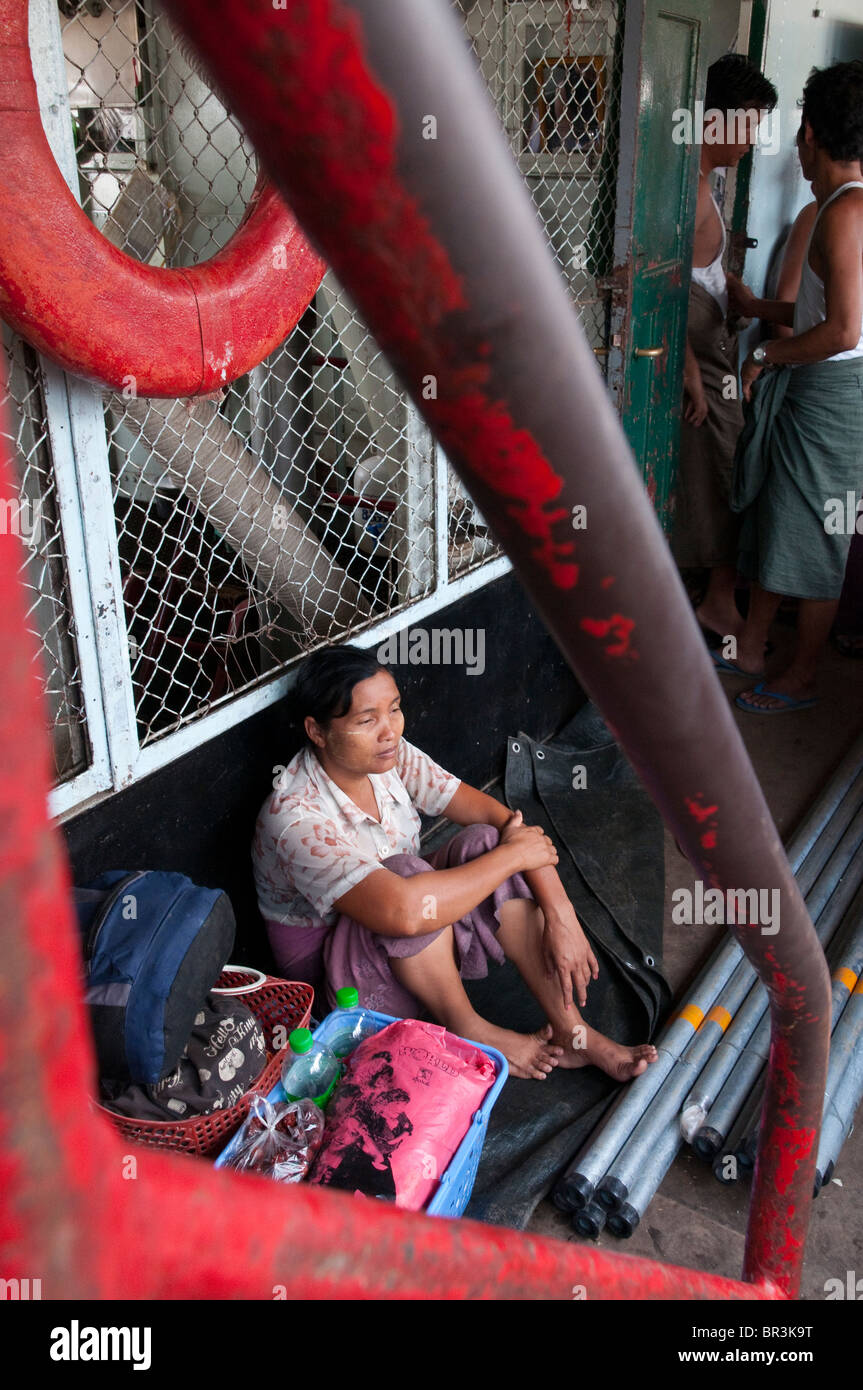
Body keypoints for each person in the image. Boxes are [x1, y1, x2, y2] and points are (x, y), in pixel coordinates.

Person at [252, 644, 658, 1082]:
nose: (389, 731)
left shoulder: (387, 755)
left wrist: (562, 915)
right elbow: (403, 910)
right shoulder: (293, 815)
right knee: (411, 877)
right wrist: (512, 856)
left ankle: (574, 1032)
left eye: (394, 710)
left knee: (484, 843)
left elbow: (503, 822)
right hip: (347, 994)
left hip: (410, 951)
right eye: (366, 720)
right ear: (317, 731)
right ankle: (470, 1026)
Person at [724, 61, 863, 712]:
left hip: (833, 395)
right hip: (826, 390)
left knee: (813, 535)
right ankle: (751, 645)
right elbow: (825, 313)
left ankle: (802, 672)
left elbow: (839, 332)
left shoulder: (841, 213)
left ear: (808, 133)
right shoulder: (842, 207)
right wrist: (756, 309)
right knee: (783, 519)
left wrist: (767, 355)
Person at [673, 55, 777, 640]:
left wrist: (732, 289)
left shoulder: (707, 181)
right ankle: (715, 599)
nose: (753, 141)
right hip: (702, 362)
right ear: (713, 121)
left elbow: (694, 273)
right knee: (725, 471)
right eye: (749, 125)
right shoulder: (683, 187)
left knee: (727, 470)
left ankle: (711, 595)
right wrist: (688, 368)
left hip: (716, 350)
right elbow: (657, 284)